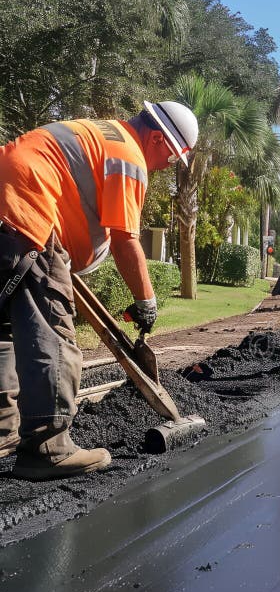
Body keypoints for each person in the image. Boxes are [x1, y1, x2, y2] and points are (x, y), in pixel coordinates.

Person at [0, 101, 199, 480]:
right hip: (29, 218)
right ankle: (47, 448)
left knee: (5, 333)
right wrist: (146, 301)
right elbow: (126, 240)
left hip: (7, 214)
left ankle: (3, 432)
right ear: (157, 138)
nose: (164, 167)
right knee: (52, 336)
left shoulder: (100, 134)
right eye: (170, 158)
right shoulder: (128, 155)